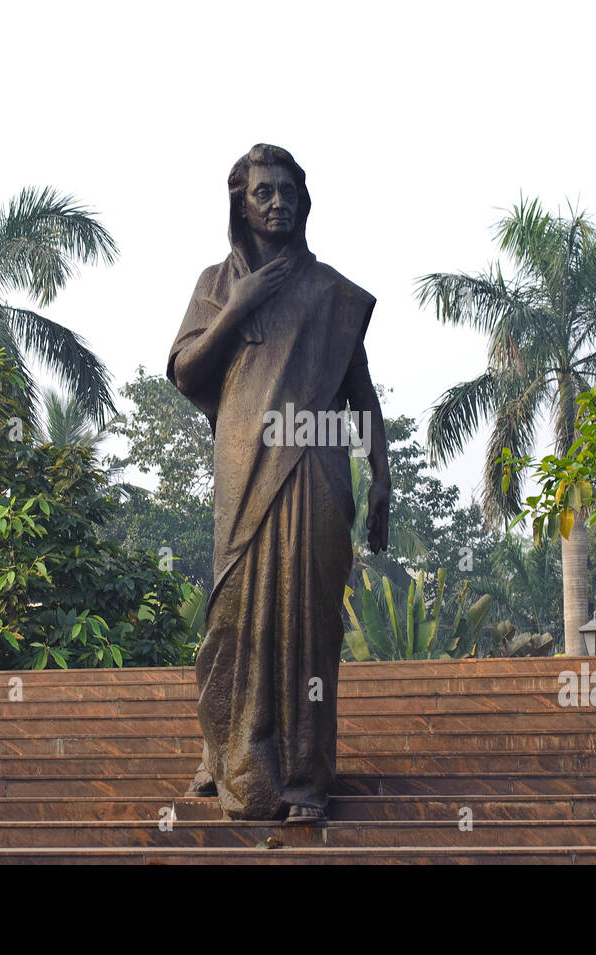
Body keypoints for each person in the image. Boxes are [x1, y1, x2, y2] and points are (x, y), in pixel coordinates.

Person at [166, 144, 390, 822]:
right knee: (232, 620)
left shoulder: (331, 294)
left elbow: (362, 395)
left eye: (288, 190)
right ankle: (227, 752)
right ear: (241, 201)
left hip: (317, 470)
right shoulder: (216, 282)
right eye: (263, 191)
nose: (276, 201)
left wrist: (383, 475)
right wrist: (237, 309)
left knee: (310, 625)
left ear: (303, 199)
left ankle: (301, 778)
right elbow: (186, 372)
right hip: (243, 468)